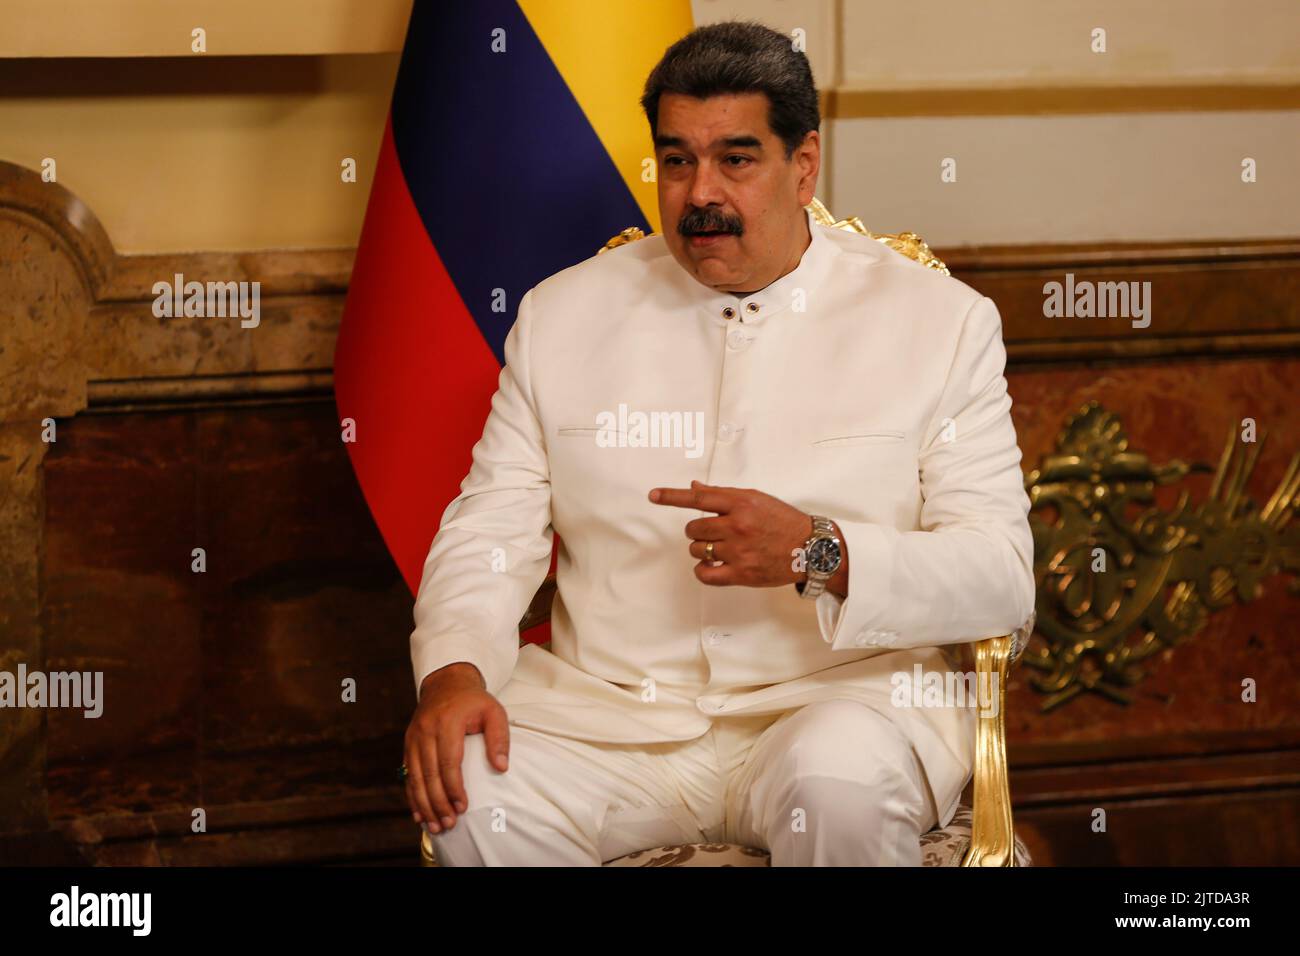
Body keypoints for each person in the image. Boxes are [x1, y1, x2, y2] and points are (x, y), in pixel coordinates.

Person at [402, 20, 1035, 866]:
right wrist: (453, 672)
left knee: (836, 788)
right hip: (610, 722)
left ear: (804, 163)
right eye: (676, 160)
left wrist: (822, 550)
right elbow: (489, 534)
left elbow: (999, 579)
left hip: (836, 708)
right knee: (473, 786)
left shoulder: (939, 322)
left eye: (736, 159)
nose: (700, 192)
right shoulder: (562, 316)